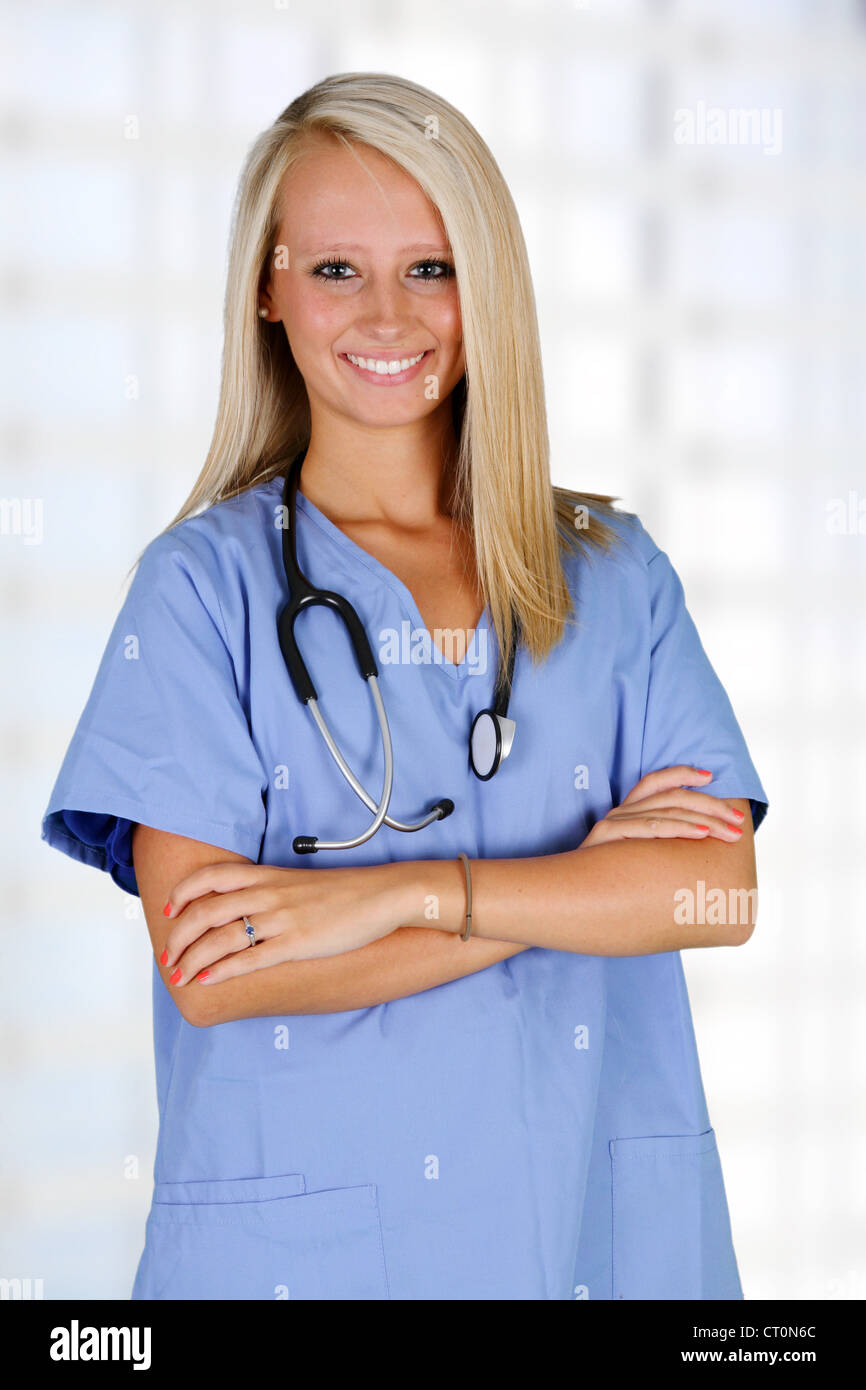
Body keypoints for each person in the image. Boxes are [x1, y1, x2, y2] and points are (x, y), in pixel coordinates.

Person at [40, 72, 768, 1301]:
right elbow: (222, 969)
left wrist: (398, 897)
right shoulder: (199, 594)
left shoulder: (615, 574)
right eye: (333, 269)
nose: (387, 313)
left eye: (430, 267)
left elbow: (710, 893)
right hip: (303, 1263)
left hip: (597, 1243)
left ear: (486, 290)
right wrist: (585, 882)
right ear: (267, 290)